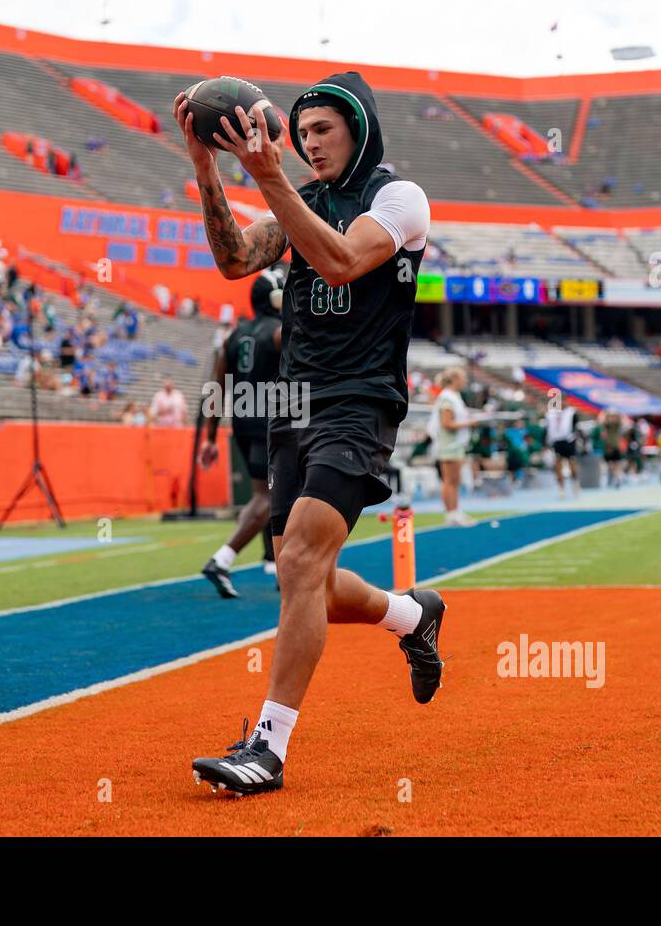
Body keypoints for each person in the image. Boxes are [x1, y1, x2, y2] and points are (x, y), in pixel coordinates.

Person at [176, 70, 442, 797]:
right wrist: (207, 169)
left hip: (360, 402)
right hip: (293, 403)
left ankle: (268, 747)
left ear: (359, 129)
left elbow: (342, 259)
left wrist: (268, 179)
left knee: (295, 563)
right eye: (304, 132)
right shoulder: (302, 200)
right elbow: (236, 260)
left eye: (324, 129)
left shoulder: (397, 198)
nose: (310, 143)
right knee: (311, 587)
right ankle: (412, 613)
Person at [198, 267, 286, 597]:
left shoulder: (234, 336)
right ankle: (222, 559)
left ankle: (280, 565)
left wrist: (209, 439)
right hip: (275, 420)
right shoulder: (279, 332)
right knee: (271, 497)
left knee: (274, 496)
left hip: (244, 419)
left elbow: (216, 388)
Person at [430, 366, 475, 524]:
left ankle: (454, 511)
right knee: (450, 480)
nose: (465, 381)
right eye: (462, 377)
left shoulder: (453, 396)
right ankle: (451, 513)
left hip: (454, 443)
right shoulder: (448, 397)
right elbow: (446, 423)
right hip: (449, 444)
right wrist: (471, 423)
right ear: (455, 379)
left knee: (454, 480)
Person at [545, 402, 580, 497]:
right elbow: (547, 428)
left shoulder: (571, 412)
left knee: (572, 463)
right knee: (558, 465)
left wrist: (573, 439)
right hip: (557, 442)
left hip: (569, 442)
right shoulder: (551, 414)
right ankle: (561, 488)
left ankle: (575, 482)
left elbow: (576, 426)